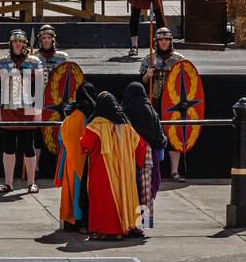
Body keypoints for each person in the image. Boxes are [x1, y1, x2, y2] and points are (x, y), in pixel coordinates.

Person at [79, 91, 147, 241]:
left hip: (102, 169)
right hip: (125, 171)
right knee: (126, 197)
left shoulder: (97, 124)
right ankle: (125, 228)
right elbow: (141, 145)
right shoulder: (126, 124)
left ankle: (105, 231)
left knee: (104, 200)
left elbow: (85, 144)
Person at [0, 31, 42, 195]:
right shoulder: (1, 63)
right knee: (8, 147)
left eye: (21, 41)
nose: (18, 44)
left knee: (29, 146)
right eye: (15, 42)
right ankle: (8, 183)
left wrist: (39, 111)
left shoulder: (34, 62)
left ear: (25, 44)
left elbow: (40, 89)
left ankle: (31, 182)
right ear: (11, 44)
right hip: (8, 108)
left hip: (28, 108)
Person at [139, 28, 188, 181]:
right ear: (157, 42)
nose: (164, 42)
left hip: (173, 104)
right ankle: (152, 170)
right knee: (153, 135)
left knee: (173, 136)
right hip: (154, 101)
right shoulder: (149, 59)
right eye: (161, 40)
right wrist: (148, 75)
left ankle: (174, 171)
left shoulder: (179, 59)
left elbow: (186, 81)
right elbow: (142, 82)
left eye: (166, 39)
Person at [122, 80, 168, 229]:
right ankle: (145, 223)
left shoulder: (124, 111)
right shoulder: (150, 111)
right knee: (146, 190)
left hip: (128, 153)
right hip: (149, 155)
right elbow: (160, 137)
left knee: (130, 188)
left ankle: (130, 223)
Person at [55, 82, 97, 233]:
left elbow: (62, 137)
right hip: (92, 159)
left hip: (74, 158)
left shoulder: (74, 115)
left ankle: (75, 220)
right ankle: (87, 221)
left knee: (74, 190)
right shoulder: (97, 113)